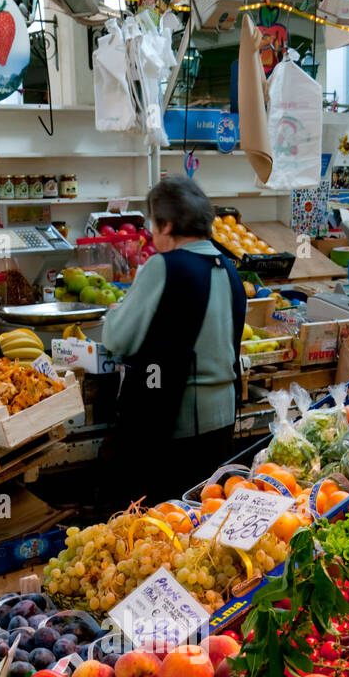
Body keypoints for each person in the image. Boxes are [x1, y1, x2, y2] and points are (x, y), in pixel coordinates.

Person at [101, 175, 246, 505]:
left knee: (157, 524)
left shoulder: (164, 266)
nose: (153, 233)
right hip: (222, 422)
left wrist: (118, 312)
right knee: (201, 515)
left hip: (173, 422)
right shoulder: (228, 267)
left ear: (166, 225)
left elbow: (118, 339)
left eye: (154, 223)